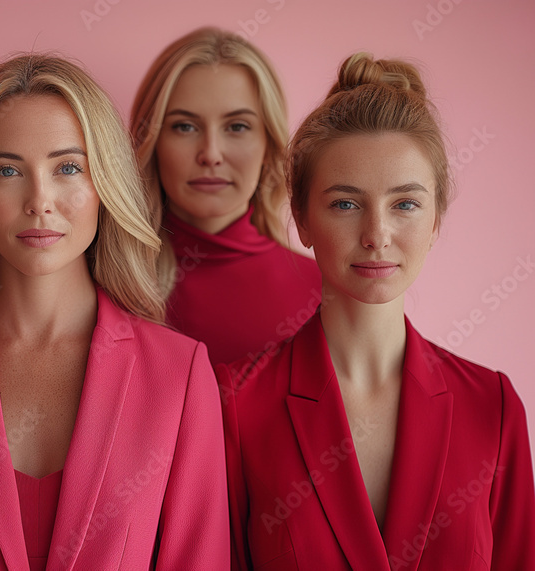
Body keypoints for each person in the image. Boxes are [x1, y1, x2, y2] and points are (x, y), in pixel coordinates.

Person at [0, 54, 229, 569]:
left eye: (68, 167)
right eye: (6, 170)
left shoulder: (180, 375)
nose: (39, 200)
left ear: (105, 185)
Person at [218, 53, 535, 569]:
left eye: (405, 204)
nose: (376, 235)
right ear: (300, 217)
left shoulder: (493, 408)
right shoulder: (236, 403)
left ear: (435, 220)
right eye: (345, 203)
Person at [130, 27, 321, 365]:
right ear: (153, 143)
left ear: (268, 145)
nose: (211, 154)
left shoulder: (325, 293)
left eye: (237, 127)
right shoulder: (107, 281)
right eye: (184, 127)